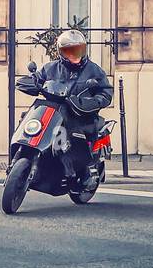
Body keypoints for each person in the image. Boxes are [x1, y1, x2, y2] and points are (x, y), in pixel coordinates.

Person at [16, 29, 114, 187]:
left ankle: (84, 171)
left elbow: (106, 91)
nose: (74, 54)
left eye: (78, 50)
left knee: (72, 134)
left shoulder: (93, 70)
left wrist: (94, 101)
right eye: (69, 51)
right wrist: (31, 83)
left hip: (80, 114)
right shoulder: (50, 68)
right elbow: (37, 79)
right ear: (61, 51)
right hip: (53, 110)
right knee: (26, 118)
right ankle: (23, 156)